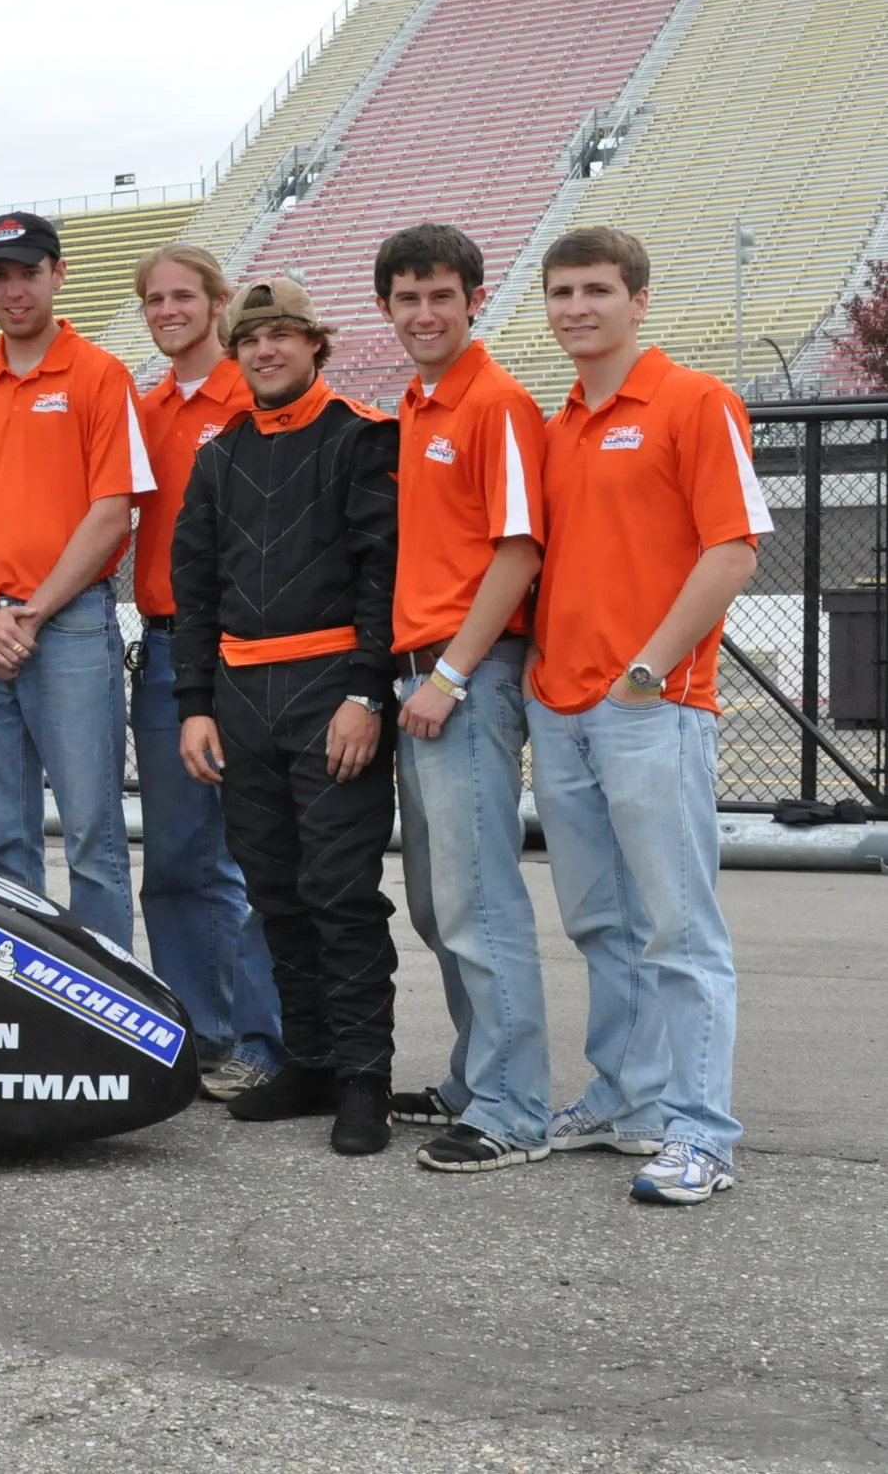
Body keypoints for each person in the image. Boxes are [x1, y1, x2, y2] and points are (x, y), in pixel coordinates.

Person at [526, 226, 766, 1206]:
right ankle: (624, 1101)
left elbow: (733, 551)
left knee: (679, 930)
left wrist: (645, 669)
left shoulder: (693, 401)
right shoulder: (557, 425)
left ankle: (700, 1131)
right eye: (558, 291)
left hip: (649, 706)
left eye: (594, 289)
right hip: (562, 708)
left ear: (639, 300)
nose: (575, 307)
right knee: (599, 922)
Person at [171, 276, 401, 1156]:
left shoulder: (363, 436)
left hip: (331, 687)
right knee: (273, 891)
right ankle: (307, 1060)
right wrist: (194, 707)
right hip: (241, 697)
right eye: (250, 340)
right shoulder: (221, 453)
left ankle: (363, 1080)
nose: (265, 351)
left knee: (340, 892)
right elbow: (194, 591)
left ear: (316, 344)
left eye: (281, 336)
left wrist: (364, 692)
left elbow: (385, 578)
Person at [370, 224, 554, 1173]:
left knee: (479, 900)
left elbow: (518, 551)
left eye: (442, 295)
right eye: (408, 298)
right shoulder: (416, 403)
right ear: (387, 310)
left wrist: (449, 675)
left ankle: (516, 1108)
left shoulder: (496, 402)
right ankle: (477, 1075)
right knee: (441, 905)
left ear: (475, 298)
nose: (425, 313)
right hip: (423, 677)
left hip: (462, 676)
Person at [0, 211, 148, 948]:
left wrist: (31, 611)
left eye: (29, 272)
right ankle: (28, 1002)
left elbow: (113, 513)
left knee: (92, 836)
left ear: (59, 274)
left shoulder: (98, 375)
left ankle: (112, 1011)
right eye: (1, 275)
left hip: (70, 626)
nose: (15, 289)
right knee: (1, 844)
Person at [128, 244, 282, 1100]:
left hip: (249, 649)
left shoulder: (255, 394)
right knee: (180, 857)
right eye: (154, 299)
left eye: (184, 296)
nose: (168, 311)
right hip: (165, 648)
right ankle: (201, 1027)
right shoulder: (145, 409)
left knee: (258, 851)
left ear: (219, 303)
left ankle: (265, 1034)